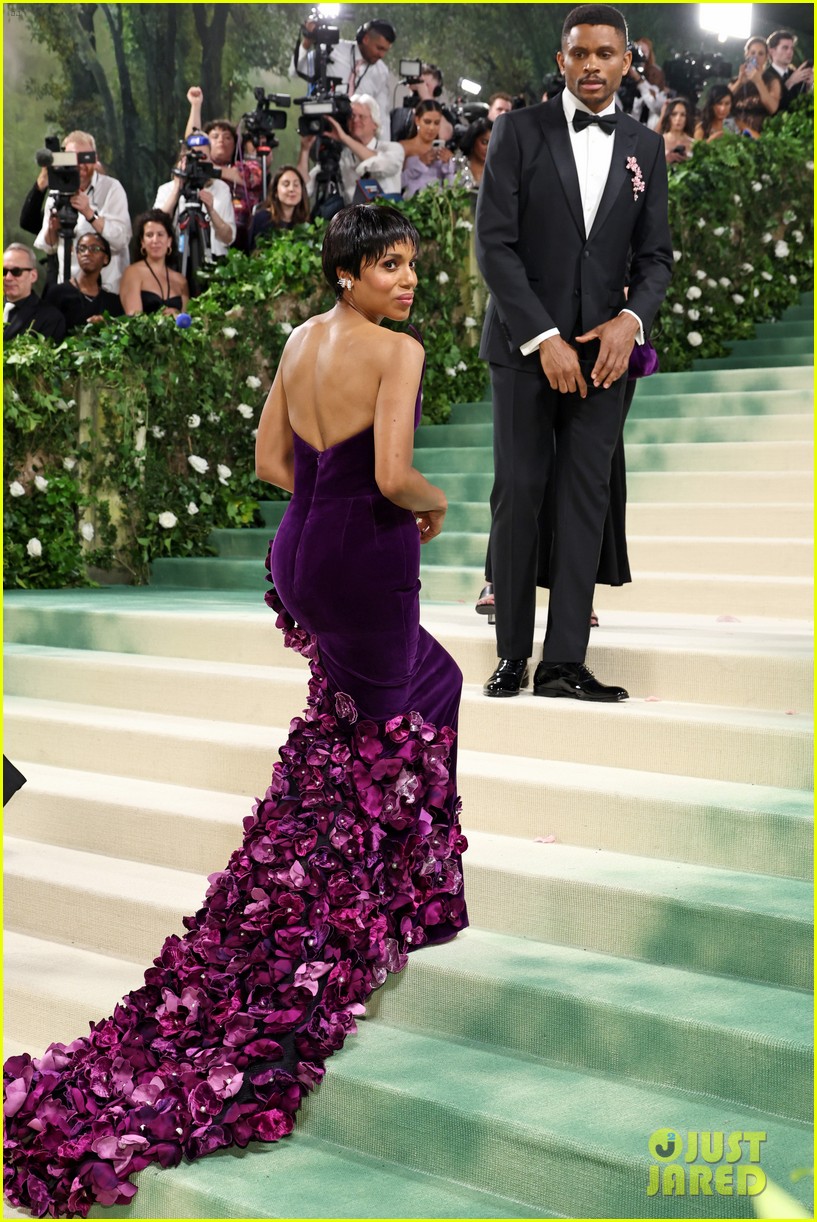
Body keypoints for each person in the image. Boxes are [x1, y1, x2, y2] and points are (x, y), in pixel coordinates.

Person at [2, 203, 468, 1218]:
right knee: (411, 705)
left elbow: (270, 461)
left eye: (410, 266)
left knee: (368, 712)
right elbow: (391, 473)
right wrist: (428, 502)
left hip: (300, 549)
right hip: (363, 554)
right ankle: (399, 890)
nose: (407, 281)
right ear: (347, 270)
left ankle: (366, 869)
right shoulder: (395, 352)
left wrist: (333, 500)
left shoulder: (300, 340)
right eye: (390, 265)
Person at [475, 2, 672, 701]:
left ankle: (563, 663)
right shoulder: (516, 133)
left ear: (626, 61)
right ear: (560, 60)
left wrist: (629, 320)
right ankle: (509, 656)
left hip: (606, 356)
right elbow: (492, 246)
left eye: (605, 53)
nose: (591, 64)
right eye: (579, 52)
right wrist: (543, 337)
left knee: (584, 497)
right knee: (520, 493)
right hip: (525, 348)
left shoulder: (644, 148)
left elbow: (655, 259)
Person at [33, 130, 132, 292]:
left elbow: (121, 240)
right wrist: (52, 228)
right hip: (68, 288)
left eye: (85, 157)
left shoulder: (112, 188)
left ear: (95, 159)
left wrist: (89, 213)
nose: (80, 164)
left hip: (106, 290)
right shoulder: (56, 192)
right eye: (72, 158)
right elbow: (49, 246)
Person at [185, 88, 265, 251]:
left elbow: (250, 178)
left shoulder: (245, 167)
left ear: (236, 144)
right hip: (208, 241)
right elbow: (192, 143)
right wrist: (195, 106)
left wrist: (207, 167)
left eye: (227, 137)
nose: (221, 140)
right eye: (214, 137)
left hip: (245, 242)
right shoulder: (194, 172)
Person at [292, 16, 397, 135]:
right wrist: (307, 42)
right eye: (379, 48)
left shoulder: (381, 71)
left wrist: (382, 149)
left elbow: (382, 114)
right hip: (324, 128)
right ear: (366, 39)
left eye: (385, 50)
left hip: (358, 138)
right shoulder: (332, 50)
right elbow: (295, 71)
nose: (381, 55)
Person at [297, 94, 404, 207]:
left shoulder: (393, 149)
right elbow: (304, 188)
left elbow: (380, 165)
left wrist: (344, 138)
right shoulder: (342, 156)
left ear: (375, 124)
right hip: (354, 221)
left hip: (387, 219)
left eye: (361, 116)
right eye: (351, 117)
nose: (355, 120)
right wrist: (305, 150)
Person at [154, 134, 237, 264]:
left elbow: (228, 238)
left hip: (214, 263)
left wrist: (212, 211)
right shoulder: (166, 190)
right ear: (181, 160)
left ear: (210, 160)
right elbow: (155, 227)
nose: (197, 164)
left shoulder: (221, 189)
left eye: (202, 157)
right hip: (176, 263)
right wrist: (176, 191)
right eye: (192, 158)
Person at [42, 233, 124, 332]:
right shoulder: (58, 293)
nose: (87, 253)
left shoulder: (113, 302)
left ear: (106, 258)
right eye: (82, 249)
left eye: (94, 249)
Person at [119, 210, 190, 316]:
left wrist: (177, 315)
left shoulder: (180, 280)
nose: (155, 240)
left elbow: (188, 321)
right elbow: (134, 320)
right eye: (149, 235)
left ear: (169, 241)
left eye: (160, 234)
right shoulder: (133, 273)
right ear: (142, 242)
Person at [3, 242, 66, 342]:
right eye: (3, 271)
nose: (8, 278)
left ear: (33, 276)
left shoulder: (50, 318)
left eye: (16, 272)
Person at [400, 99, 456, 198]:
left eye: (436, 123)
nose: (431, 128)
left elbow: (452, 188)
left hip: (438, 205)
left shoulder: (444, 152)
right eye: (427, 122)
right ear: (417, 120)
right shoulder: (404, 147)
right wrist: (420, 164)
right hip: (410, 204)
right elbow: (396, 183)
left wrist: (448, 166)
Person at [248, 165, 311, 252]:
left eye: (296, 185)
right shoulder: (262, 219)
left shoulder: (305, 223)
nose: (291, 189)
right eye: (286, 184)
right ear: (275, 192)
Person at [728, 37, 782, 136]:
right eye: (753, 53)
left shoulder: (772, 80)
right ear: (746, 54)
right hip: (733, 131)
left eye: (760, 54)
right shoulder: (736, 80)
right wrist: (740, 82)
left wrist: (759, 82)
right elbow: (721, 99)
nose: (756, 57)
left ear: (766, 58)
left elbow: (773, 108)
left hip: (758, 134)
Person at [766, 29, 814, 111]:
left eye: (792, 48)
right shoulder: (764, 76)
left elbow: (803, 104)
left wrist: (809, 86)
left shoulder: (796, 74)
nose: (790, 52)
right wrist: (790, 82)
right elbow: (769, 107)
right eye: (785, 48)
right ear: (772, 51)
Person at [456, 117, 493, 190]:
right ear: (473, 139)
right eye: (484, 142)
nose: (489, 148)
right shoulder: (457, 165)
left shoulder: (498, 171)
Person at [659, 96, 696, 163]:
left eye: (682, 115)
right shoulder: (659, 141)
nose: (678, 118)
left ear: (687, 118)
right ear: (668, 116)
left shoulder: (694, 144)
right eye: (674, 114)